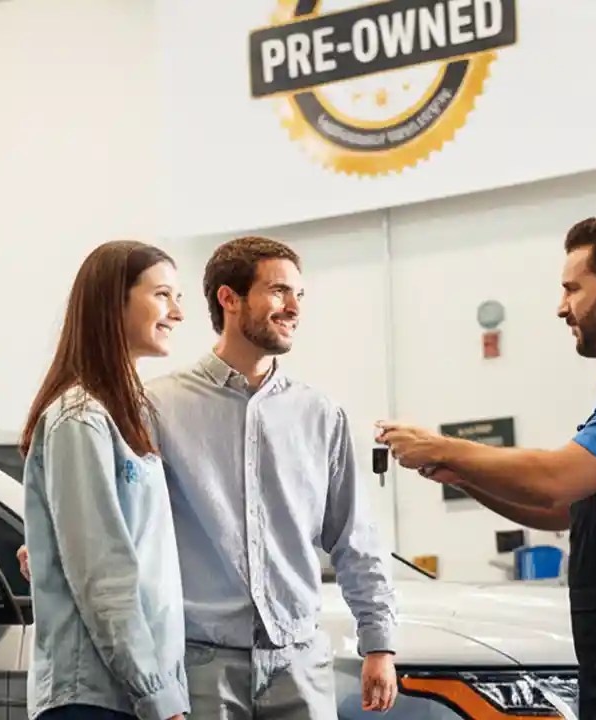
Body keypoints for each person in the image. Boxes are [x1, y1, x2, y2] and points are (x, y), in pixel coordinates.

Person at [376, 215, 596, 720]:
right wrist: (464, 476)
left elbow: (555, 477)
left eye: (572, 288)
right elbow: (561, 507)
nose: (561, 307)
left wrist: (443, 446)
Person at [21, 235, 399, 719]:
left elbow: (355, 537)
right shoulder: (144, 407)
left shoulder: (321, 415)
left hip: (300, 663)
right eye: (279, 291)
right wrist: (55, 544)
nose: (293, 307)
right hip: (198, 664)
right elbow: (106, 547)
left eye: (299, 295)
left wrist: (379, 641)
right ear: (229, 298)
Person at [18, 240, 191, 720]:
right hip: (96, 697)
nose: (177, 313)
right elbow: (103, 576)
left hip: (129, 693)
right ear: (114, 301)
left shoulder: (127, 414)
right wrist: (156, 694)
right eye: (163, 295)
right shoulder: (80, 418)